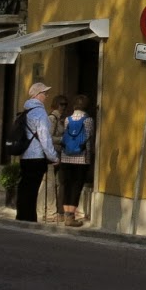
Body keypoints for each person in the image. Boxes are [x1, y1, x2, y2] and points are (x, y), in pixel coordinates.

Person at [16, 81, 58, 222]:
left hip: (24, 156)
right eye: (45, 93)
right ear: (38, 95)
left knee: (24, 188)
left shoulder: (26, 112)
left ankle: (21, 216)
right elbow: (45, 138)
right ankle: (29, 219)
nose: (46, 96)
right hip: (37, 157)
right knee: (32, 191)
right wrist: (53, 157)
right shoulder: (40, 113)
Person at [57, 94, 94, 226]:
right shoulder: (88, 120)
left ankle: (66, 214)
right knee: (76, 186)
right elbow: (89, 136)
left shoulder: (68, 119)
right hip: (81, 158)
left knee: (67, 185)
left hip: (66, 156)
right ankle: (71, 217)